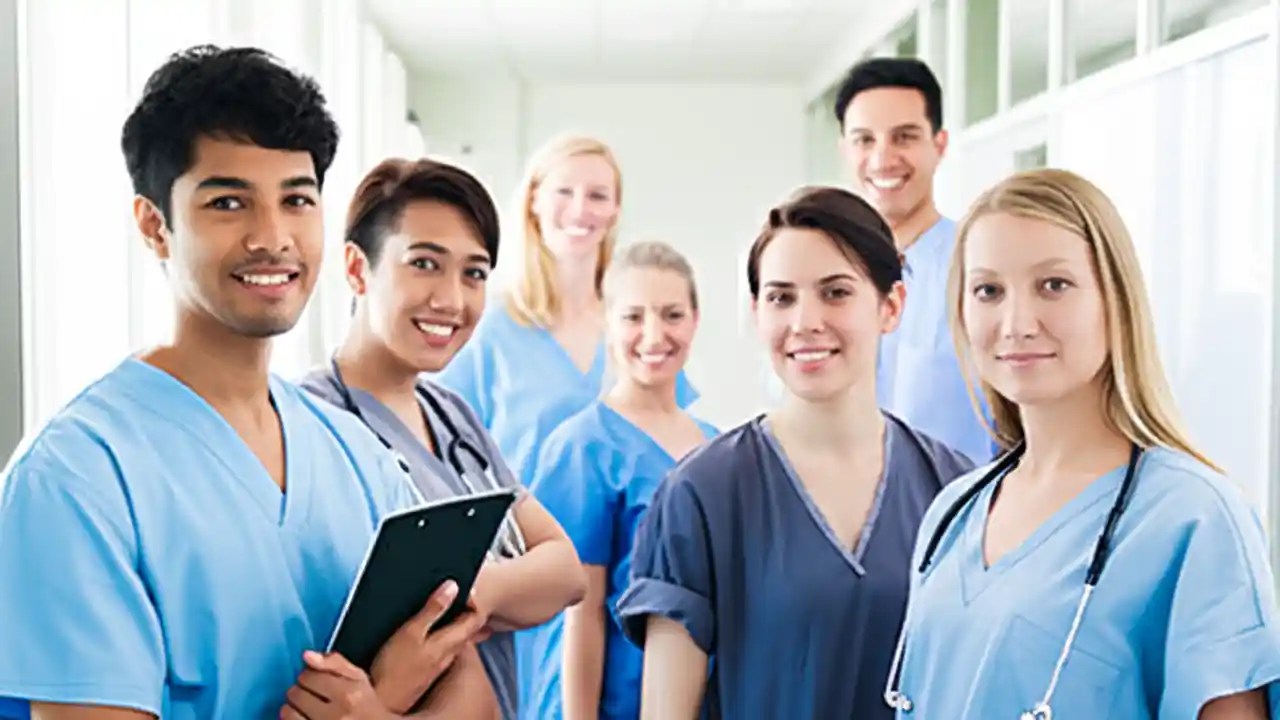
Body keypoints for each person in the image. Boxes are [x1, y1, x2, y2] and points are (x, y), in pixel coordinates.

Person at [0, 46, 497, 719]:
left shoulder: (357, 457)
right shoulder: (77, 477)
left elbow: (470, 689)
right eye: (229, 202)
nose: (273, 237)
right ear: (155, 226)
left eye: (297, 199)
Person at [883, 169, 1280, 719]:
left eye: (1054, 285)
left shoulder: (1192, 519)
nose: (1017, 322)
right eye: (988, 290)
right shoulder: (952, 513)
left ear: (1114, 300)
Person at [616, 187, 974, 719]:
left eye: (835, 293)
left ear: (891, 305)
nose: (805, 321)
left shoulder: (952, 489)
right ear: (757, 313)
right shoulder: (702, 494)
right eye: (782, 297)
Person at [299, 157, 588, 720]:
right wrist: (509, 592)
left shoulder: (450, 412)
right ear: (358, 270)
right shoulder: (316, 422)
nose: (452, 300)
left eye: (474, 273)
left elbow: (566, 571)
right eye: (425, 264)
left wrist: (479, 593)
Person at [433, 134, 698, 489]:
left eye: (597, 195)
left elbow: (671, 437)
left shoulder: (637, 331)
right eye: (564, 192)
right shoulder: (490, 329)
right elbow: (438, 445)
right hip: (522, 539)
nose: (580, 209)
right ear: (533, 202)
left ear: (615, 211)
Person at [523, 241, 719, 720]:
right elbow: (579, 613)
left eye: (672, 314)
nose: (654, 335)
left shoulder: (718, 448)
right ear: (607, 324)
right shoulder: (583, 448)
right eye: (633, 317)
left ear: (695, 319)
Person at [834, 57, 993, 463]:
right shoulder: (822, 276)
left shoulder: (981, 269)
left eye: (904, 137)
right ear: (845, 149)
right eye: (864, 140)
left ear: (938, 146)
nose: (883, 159)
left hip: (964, 516)